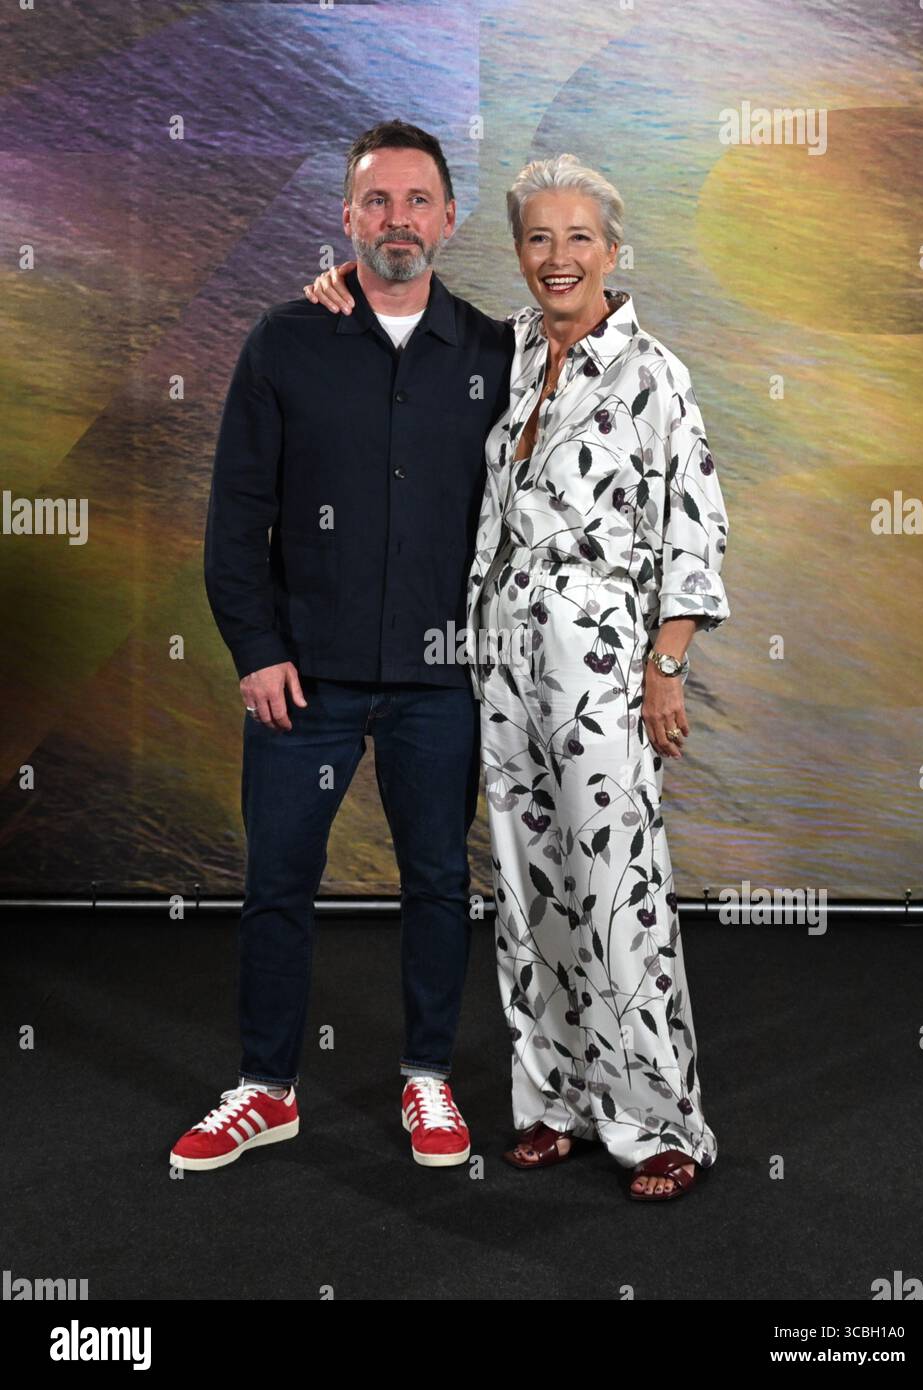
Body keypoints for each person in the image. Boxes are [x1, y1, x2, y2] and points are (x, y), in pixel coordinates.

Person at [307, 152, 730, 1200]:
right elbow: (406, 314)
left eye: (577, 237)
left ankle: (660, 1121)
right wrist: (336, 288)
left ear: (613, 251)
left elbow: (693, 536)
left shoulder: (653, 377)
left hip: (601, 680)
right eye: (538, 238)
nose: (557, 257)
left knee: (615, 893)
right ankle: (556, 1105)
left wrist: (664, 671)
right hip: (499, 675)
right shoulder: (506, 357)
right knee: (528, 892)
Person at [170, 120, 513, 1173]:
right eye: (376, 201)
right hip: (301, 677)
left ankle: (426, 1078)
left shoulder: (499, 355)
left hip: (438, 679)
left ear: (448, 219)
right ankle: (266, 1088)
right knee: (277, 879)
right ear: (346, 217)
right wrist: (255, 646)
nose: (397, 219)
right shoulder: (285, 339)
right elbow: (235, 518)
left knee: (435, 882)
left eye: (417, 201)